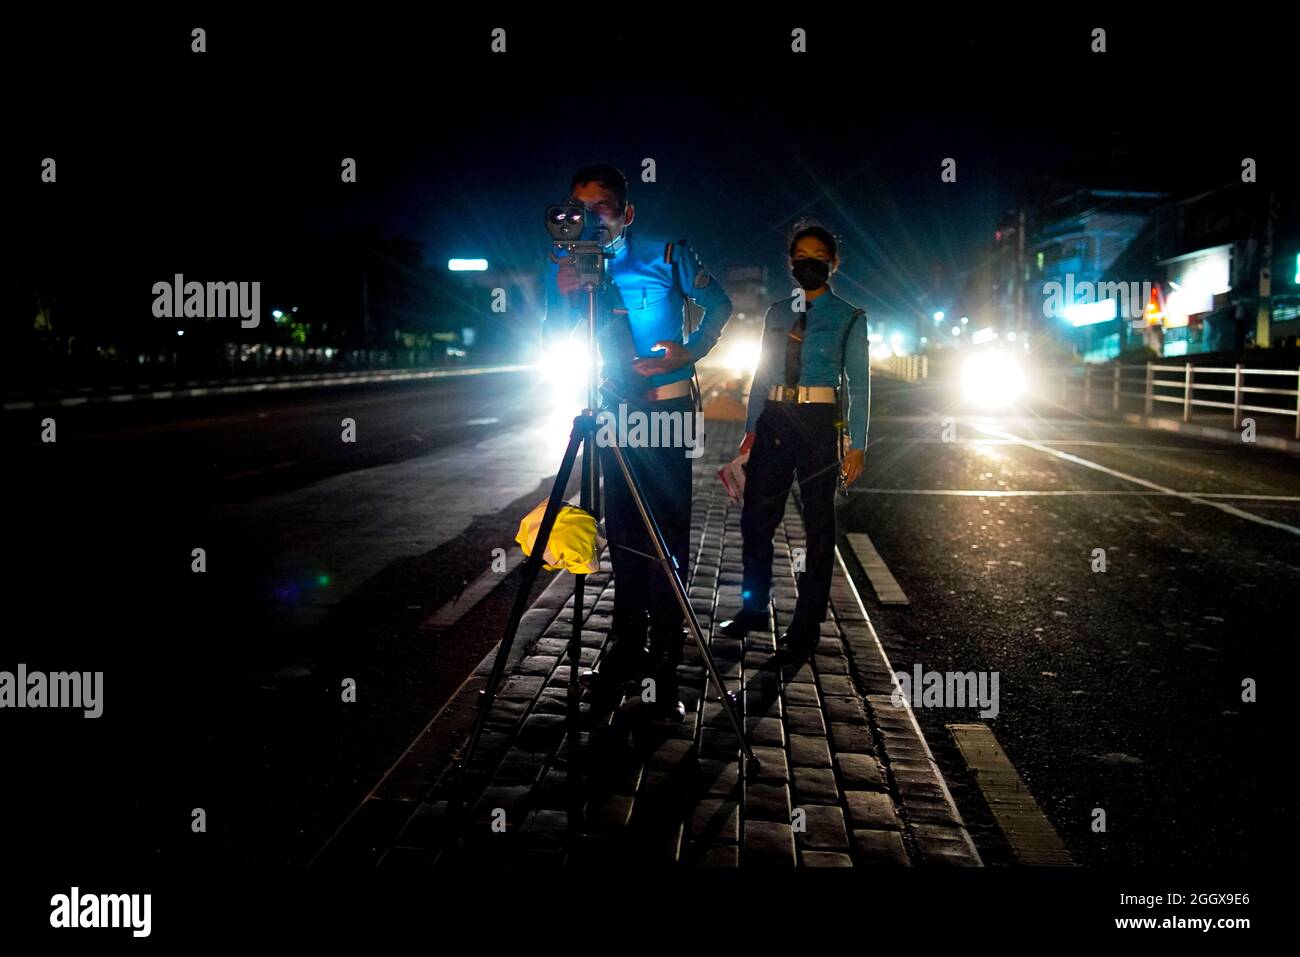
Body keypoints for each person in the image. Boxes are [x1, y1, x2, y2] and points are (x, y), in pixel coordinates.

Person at [542, 163, 732, 721]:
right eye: (579, 207)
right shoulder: (571, 264)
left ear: (626, 212)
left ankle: (666, 668)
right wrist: (560, 296)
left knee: (666, 537)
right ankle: (624, 652)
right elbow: (555, 337)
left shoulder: (668, 253)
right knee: (622, 534)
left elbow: (720, 304)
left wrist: (691, 350)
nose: (589, 218)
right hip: (612, 408)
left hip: (667, 407)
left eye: (601, 207)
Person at [717, 222, 869, 655]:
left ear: (833, 264)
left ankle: (807, 624)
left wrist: (857, 444)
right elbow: (763, 374)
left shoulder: (849, 317)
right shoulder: (777, 313)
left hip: (820, 422)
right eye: (801, 257)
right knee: (756, 520)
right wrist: (750, 431)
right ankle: (753, 608)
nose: (809, 264)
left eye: (818, 257)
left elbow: (858, 384)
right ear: (790, 263)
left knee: (820, 527)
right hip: (776, 420)